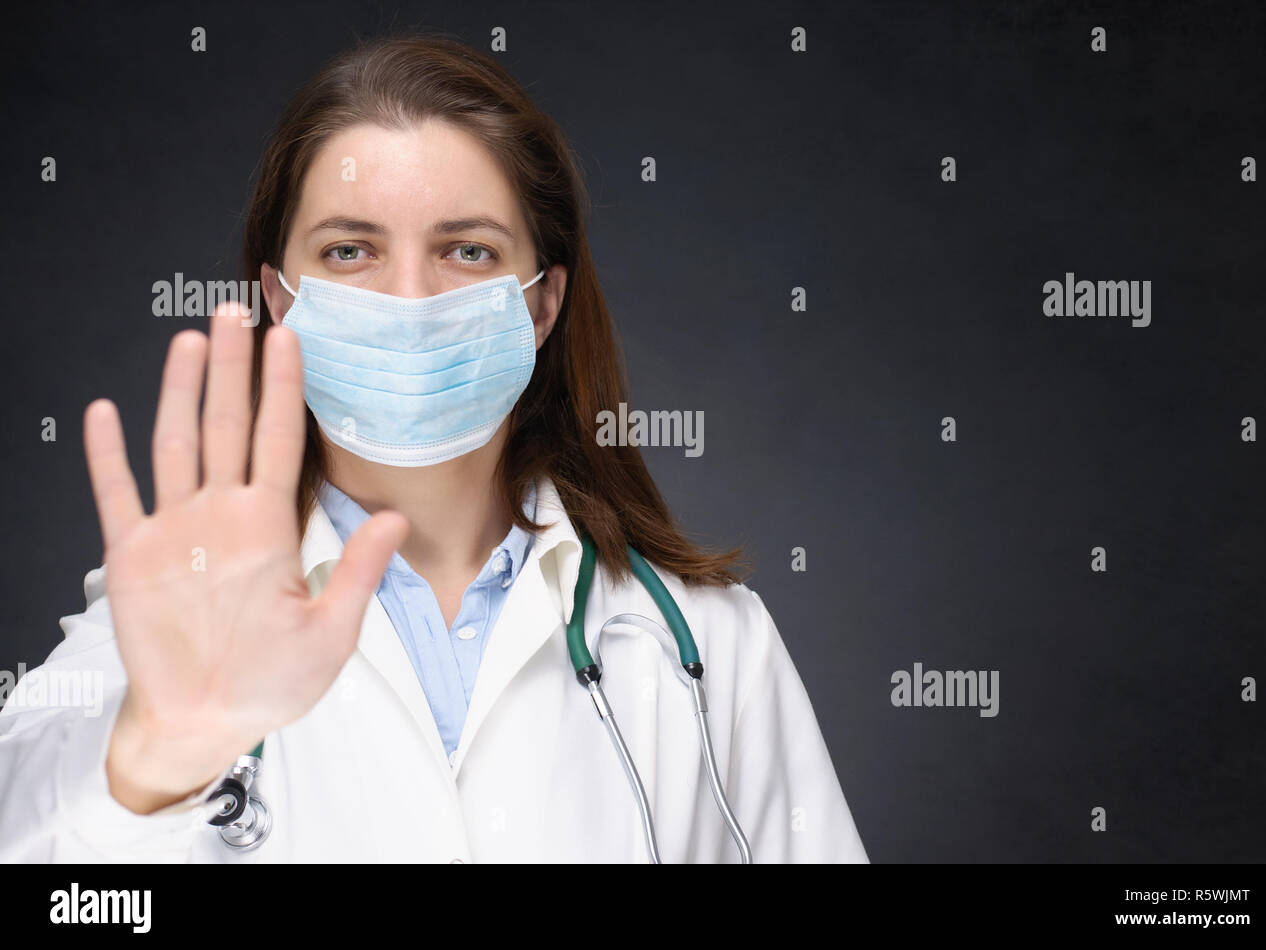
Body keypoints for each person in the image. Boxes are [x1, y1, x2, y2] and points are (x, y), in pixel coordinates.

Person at [0, 34, 868, 863]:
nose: (410, 300)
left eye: (467, 250)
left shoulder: (705, 643)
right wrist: (152, 757)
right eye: (350, 250)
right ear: (280, 296)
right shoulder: (169, 623)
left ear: (541, 302)